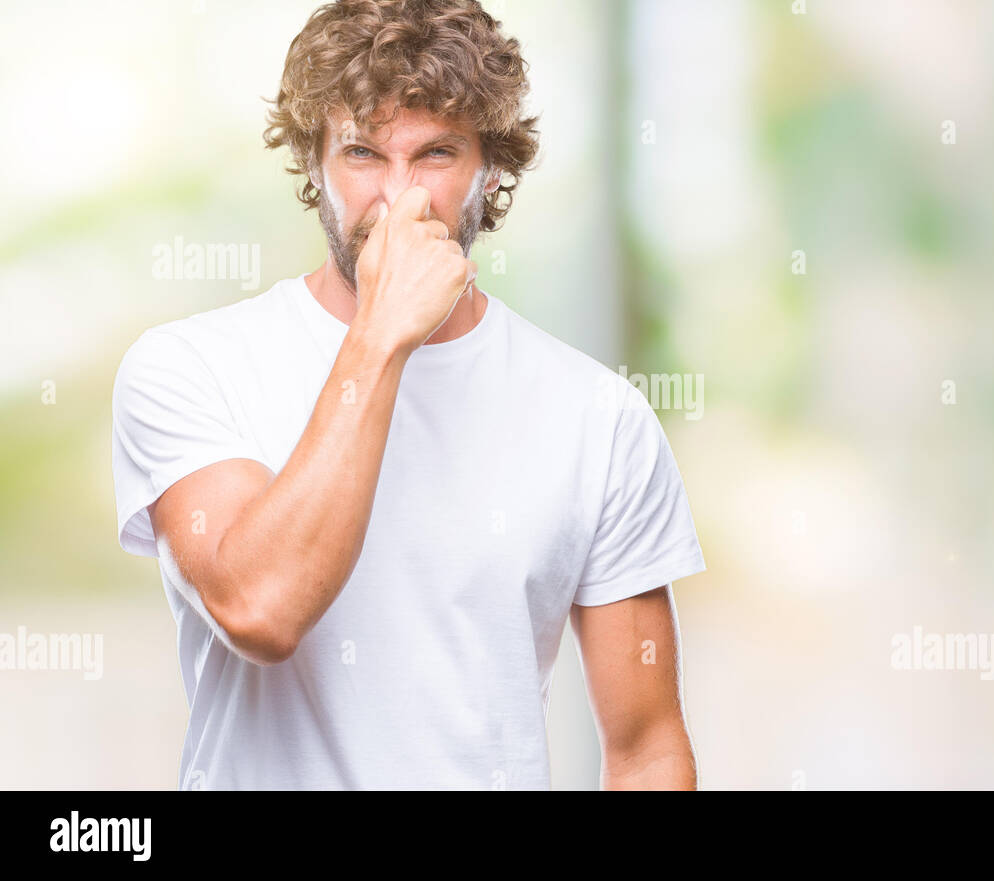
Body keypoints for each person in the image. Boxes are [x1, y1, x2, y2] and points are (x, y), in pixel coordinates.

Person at [110, 0, 706, 790]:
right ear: (313, 162)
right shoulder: (187, 368)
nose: (399, 200)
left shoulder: (599, 417)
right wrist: (382, 335)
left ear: (490, 167)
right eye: (361, 153)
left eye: (434, 154)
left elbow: (647, 748)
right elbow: (260, 608)